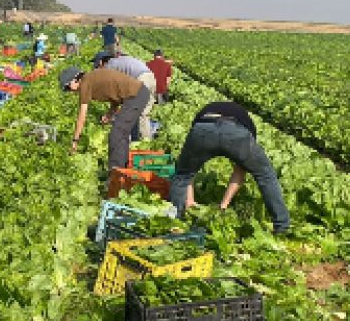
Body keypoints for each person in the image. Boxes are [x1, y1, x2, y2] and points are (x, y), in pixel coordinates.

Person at [169, 102, 290, 234]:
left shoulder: (204, 112)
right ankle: (281, 226)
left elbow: (188, 172)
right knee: (265, 175)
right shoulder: (248, 124)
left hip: (204, 127)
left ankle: (178, 221)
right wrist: (224, 205)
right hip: (235, 131)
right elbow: (240, 171)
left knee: (183, 174)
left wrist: (190, 201)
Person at [60, 66, 151, 170]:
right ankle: (123, 167)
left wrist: (75, 140)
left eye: (68, 87)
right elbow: (115, 94)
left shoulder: (85, 84)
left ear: (74, 80)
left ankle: (115, 172)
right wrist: (109, 113)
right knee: (121, 133)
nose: (69, 91)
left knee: (117, 134)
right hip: (137, 94)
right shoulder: (91, 78)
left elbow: (82, 116)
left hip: (135, 95)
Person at [92, 51, 157, 140]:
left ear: (101, 62)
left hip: (140, 79)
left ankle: (138, 142)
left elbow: (115, 94)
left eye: (96, 66)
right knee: (143, 114)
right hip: (150, 77)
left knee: (132, 113)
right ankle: (145, 142)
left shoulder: (109, 67)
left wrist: (110, 114)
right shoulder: (118, 61)